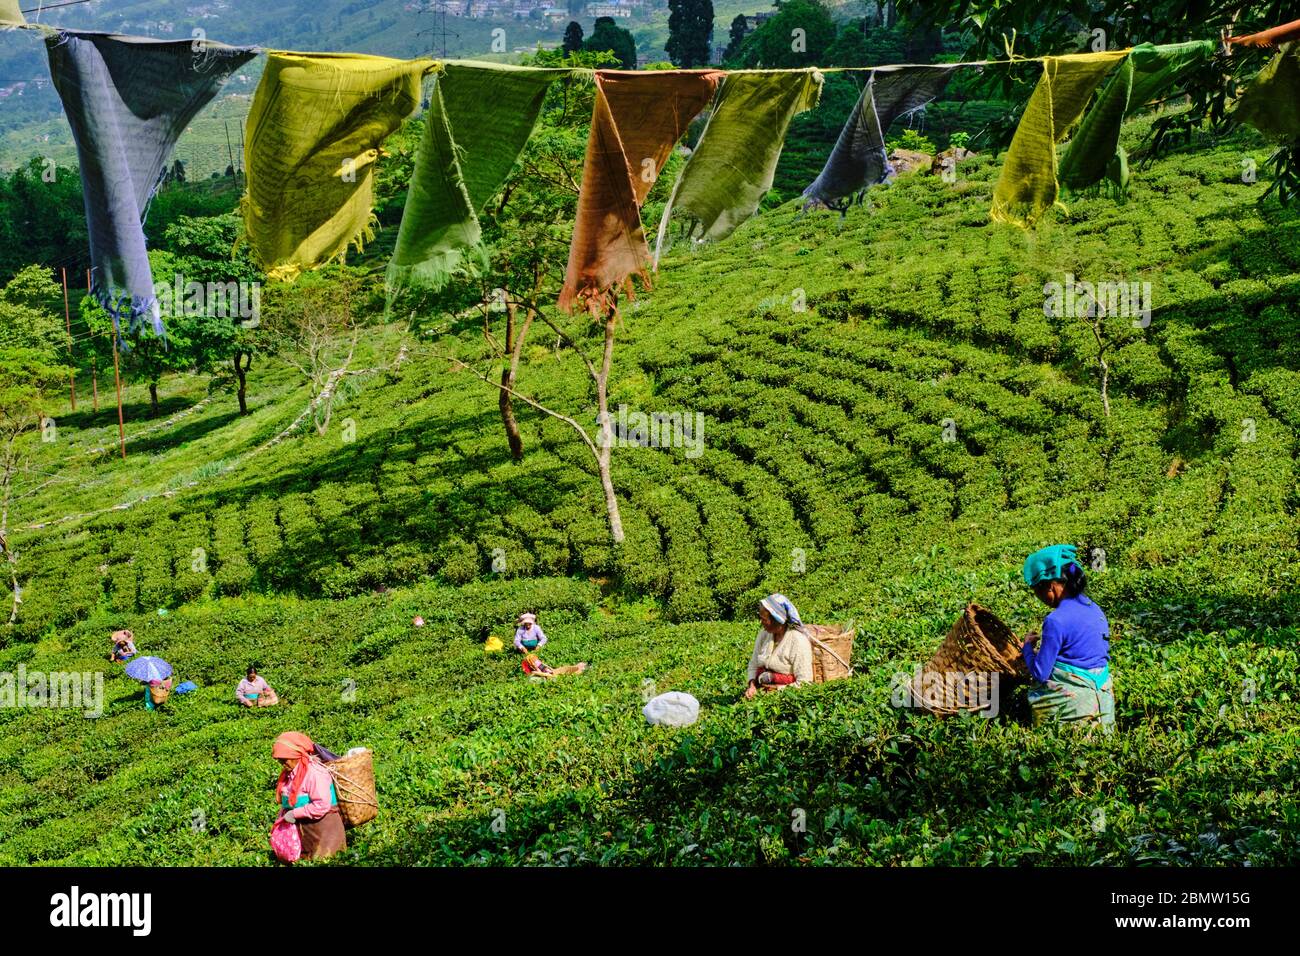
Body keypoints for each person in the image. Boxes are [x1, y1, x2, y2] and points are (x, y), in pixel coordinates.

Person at [1021, 545, 1114, 733]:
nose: (1039, 598)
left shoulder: (1055, 620)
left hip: (1075, 702)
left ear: (1051, 586)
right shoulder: (1094, 608)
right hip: (1104, 698)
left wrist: (1027, 649)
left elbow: (1040, 673)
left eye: (1037, 592)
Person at [272, 731, 347, 861]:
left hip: (324, 831)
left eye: (285, 760)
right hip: (306, 832)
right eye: (279, 760)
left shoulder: (315, 773)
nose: (282, 764)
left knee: (327, 860)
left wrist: (295, 814)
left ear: (297, 756)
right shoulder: (290, 774)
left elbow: (321, 805)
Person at [745, 593, 813, 700]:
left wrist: (778, 690)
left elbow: (805, 683)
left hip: (786, 698)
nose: (761, 622)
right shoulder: (764, 635)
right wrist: (752, 686)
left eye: (764, 619)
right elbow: (753, 664)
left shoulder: (798, 641)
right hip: (761, 692)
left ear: (777, 620)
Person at [521, 652, 586, 678]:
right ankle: (581, 668)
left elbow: (548, 668)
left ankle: (581, 667)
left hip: (553, 672)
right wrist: (551, 673)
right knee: (573, 671)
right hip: (552, 675)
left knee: (577, 666)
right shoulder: (535, 671)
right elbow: (544, 674)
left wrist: (548, 668)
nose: (536, 662)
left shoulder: (540, 666)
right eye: (534, 661)